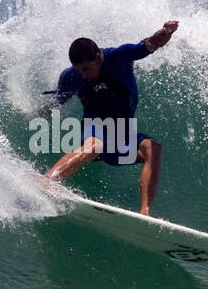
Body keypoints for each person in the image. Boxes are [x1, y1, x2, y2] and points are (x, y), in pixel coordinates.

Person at [41, 20, 179, 215]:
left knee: (152, 147)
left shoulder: (120, 57)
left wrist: (167, 32)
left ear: (98, 58)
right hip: (93, 129)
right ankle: (48, 181)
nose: (83, 75)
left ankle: (145, 213)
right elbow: (57, 102)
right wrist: (36, 113)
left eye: (86, 69)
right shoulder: (71, 76)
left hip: (120, 137)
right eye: (79, 70)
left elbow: (150, 44)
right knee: (95, 145)